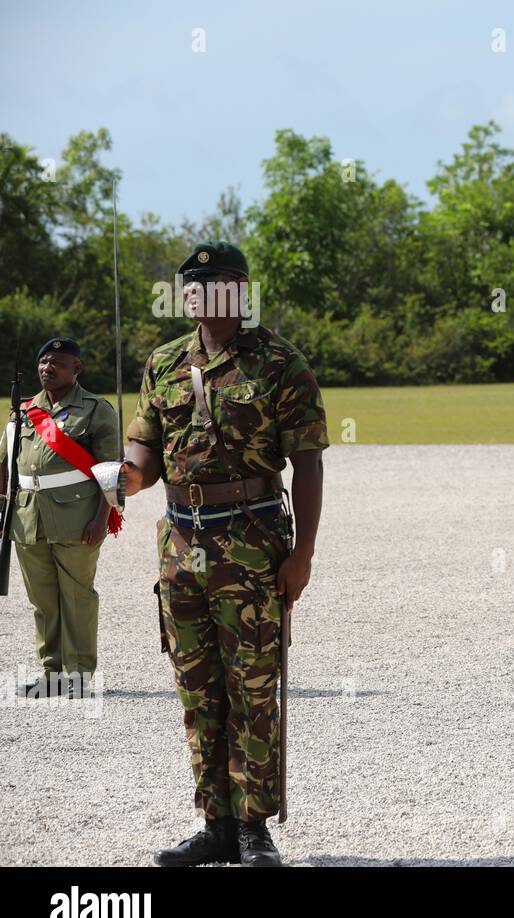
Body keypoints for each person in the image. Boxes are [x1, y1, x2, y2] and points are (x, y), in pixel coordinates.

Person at [121, 241, 327, 867]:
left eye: (209, 281)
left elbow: (309, 464)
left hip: (251, 545)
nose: (195, 291)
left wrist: (304, 555)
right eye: (189, 282)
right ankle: (214, 823)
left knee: (254, 686)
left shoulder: (278, 362)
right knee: (197, 686)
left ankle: (253, 828)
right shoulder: (162, 364)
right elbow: (145, 462)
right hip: (181, 547)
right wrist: (111, 479)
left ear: (237, 289)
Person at [0, 338, 119, 698]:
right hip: (27, 517)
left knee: (77, 596)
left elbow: (112, 470)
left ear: (76, 369)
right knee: (44, 600)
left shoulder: (96, 410)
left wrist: (104, 517)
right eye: (43, 362)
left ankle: (80, 675)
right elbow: (5, 464)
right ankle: (51, 672)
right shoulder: (23, 411)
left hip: (76, 516)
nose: (47, 368)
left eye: (57, 363)